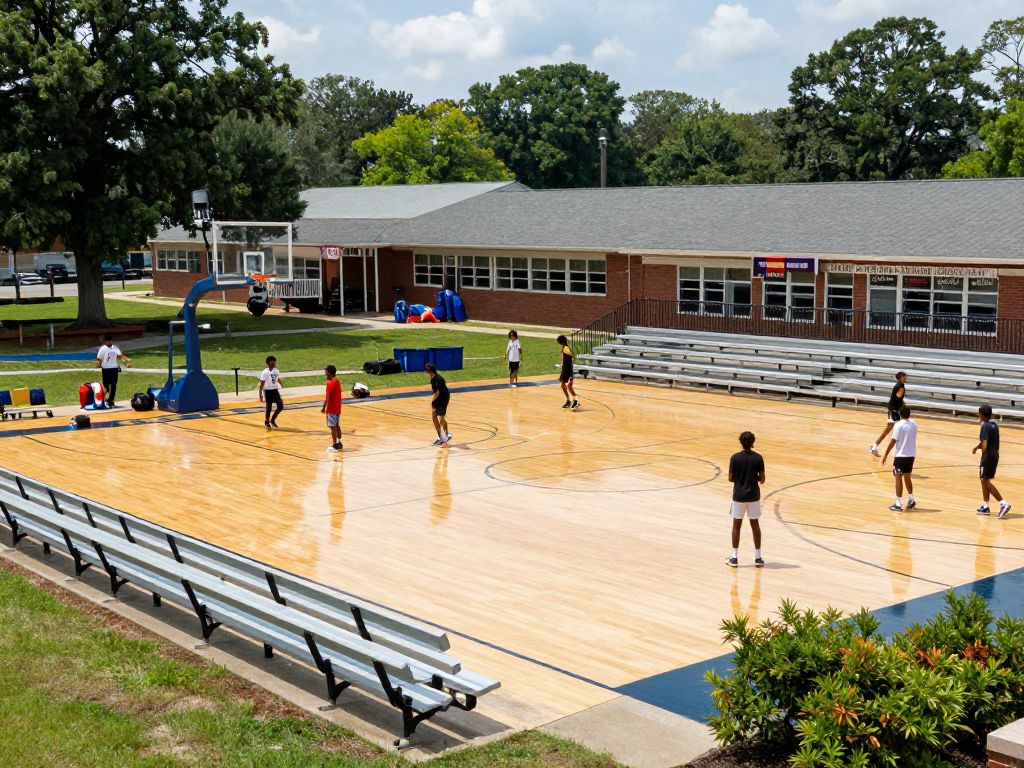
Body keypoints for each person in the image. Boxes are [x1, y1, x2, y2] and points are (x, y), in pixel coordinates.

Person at [727, 431, 766, 568]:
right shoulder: (758, 458)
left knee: (736, 526)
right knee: (755, 525)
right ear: (753, 442)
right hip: (754, 496)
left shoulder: (735, 458)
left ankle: (734, 558)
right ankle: (758, 557)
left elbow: (730, 478)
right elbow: (762, 479)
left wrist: (741, 476)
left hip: (739, 496)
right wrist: (752, 477)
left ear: (740, 442)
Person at [973, 404, 1011, 518]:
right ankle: (985, 506)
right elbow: (988, 441)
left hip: (988, 456)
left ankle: (1003, 503)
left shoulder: (984, 426)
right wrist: (976, 447)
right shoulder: (994, 425)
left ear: (981, 415)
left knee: (985, 482)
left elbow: (985, 444)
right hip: (995, 455)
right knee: (984, 480)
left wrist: (982, 456)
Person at [881, 405, 917, 512]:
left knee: (898, 477)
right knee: (907, 477)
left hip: (901, 456)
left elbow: (893, 441)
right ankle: (911, 499)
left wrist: (886, 454)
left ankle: (898, 503)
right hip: (911, 455)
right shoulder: (914, 424)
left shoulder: (898, 426)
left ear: (900, 415)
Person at [870, 371, 907, 456]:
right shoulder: (899, 387)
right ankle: (874, 446)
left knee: (895, 430)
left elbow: (897, 398)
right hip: (893, 410)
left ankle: (875, 446)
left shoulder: (900, 385)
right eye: (905, 376)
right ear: (901, 377)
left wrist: (902, 403)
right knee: (892, 429)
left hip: (894, 410)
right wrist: (902, 405)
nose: (906, 377)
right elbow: (898, 398)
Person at [96, 334, 131, 408]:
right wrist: (98, 364)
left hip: (113, 369)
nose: (109, 342)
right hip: (106, 369)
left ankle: (110, 401)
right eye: (108, 341)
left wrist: (126, 362)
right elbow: (99, 359)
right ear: (105, 341)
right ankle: (106, 400)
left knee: (113, 385)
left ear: (111, 341)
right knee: (106, 386)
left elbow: (120, 357)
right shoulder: (103, 349)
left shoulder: (115, 348)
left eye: (110, 340)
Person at [426, 362, 451, 446]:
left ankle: (445, 436)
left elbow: (437, 393)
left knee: (441, 418)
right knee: (434, 417)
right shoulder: (433, 379)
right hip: (440, 397)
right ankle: (442, 436)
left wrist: (432, 401)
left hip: (443, 398)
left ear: (429, 371)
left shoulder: (437, 379)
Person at [258, 355, 284, 429]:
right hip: (268, 391)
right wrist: (260, 393)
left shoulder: (276, 370)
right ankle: (267, 422)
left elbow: (277, 378)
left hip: (275, 390)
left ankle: (272, 420)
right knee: (269, 407)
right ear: (268, 364)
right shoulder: (264, 372)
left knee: (280, 406)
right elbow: (262, 383)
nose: (273, 365)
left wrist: (281, 384)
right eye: (272, 364)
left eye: (274, 363)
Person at [322, 364, 342, 452]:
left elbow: (328, 398)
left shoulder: (329, 383)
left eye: (326, 373)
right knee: (337, 425)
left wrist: (323, 408)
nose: (325, 375)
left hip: (331, 409)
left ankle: (334, 445)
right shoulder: (337, 381)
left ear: (330, 373)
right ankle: (339, 442)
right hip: (338, 408)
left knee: (332, 427)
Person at [556, 335, 579, 410]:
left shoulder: (566, 348)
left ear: (560, 341)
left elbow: (573, 356)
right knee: (563, 385)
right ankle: (568, 400)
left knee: (569, 386)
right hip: (564, 369)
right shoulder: (563, 348)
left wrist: (570, 361)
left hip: (568, 370)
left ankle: (575, 400)